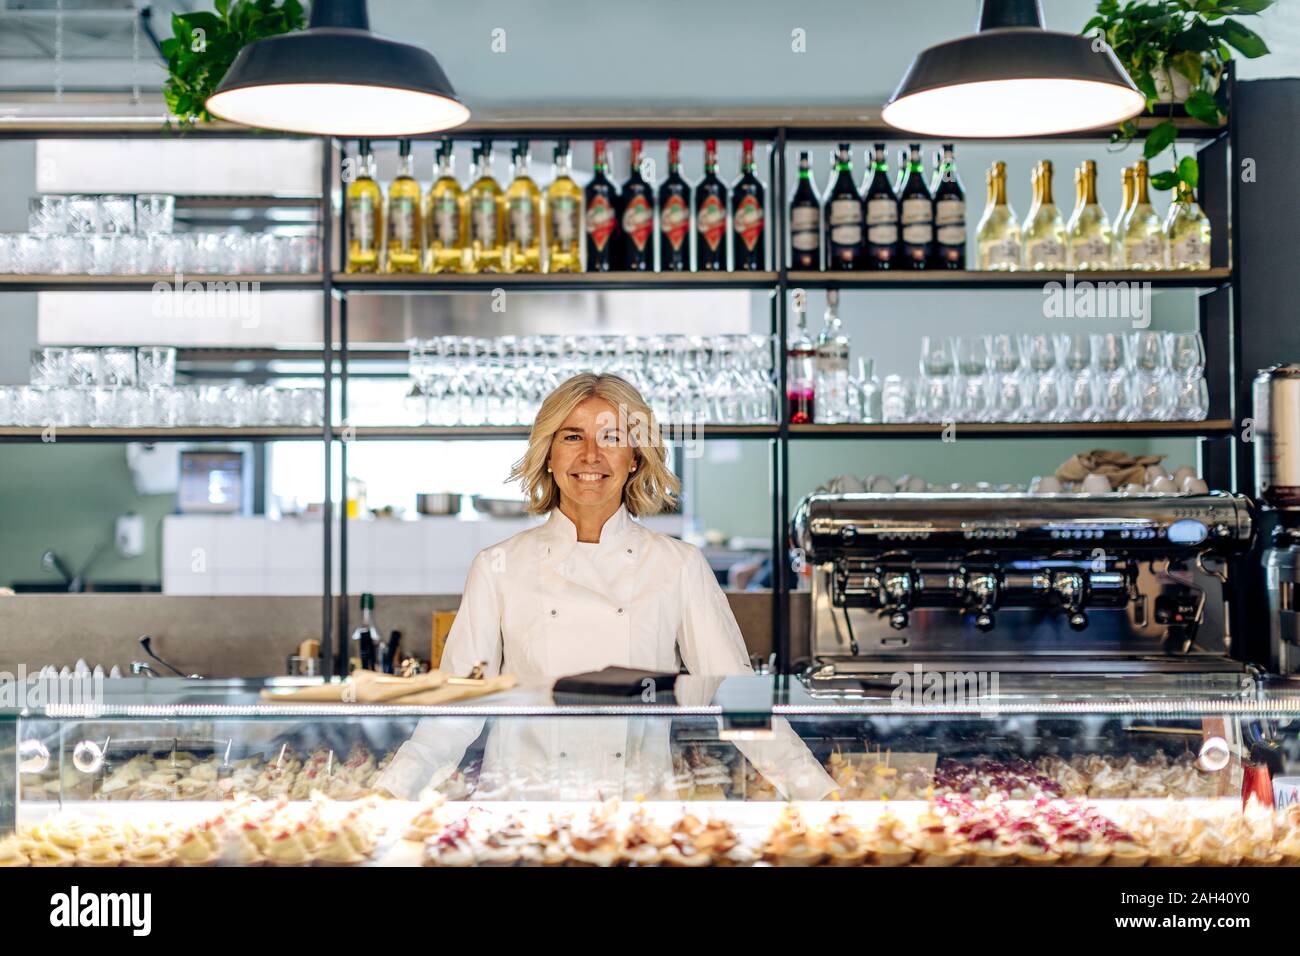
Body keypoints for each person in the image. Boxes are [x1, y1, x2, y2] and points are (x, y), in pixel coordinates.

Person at [380, 373, 833, 800]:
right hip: (524, 813)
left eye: (611, 438)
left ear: (635, 457)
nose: (590, 456)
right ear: (549, 454)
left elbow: (740, 704)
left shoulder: (678, 565)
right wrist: (391, 792)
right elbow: (455, 712)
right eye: (572, 437)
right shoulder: (497, 566)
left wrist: (821, 795)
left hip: (636, 813)